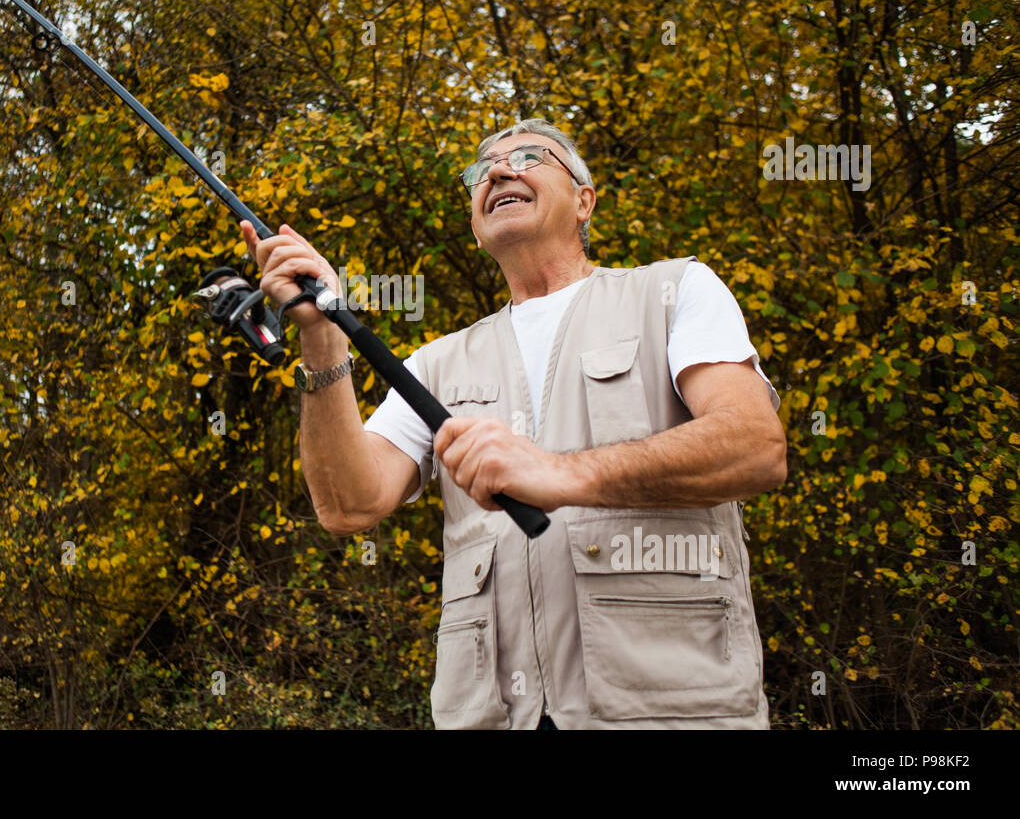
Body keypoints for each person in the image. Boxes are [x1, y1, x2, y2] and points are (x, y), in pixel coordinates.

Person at [241, 117, 787, 729]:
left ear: (584, 201)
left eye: (530, 157)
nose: (499, 171)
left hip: (673, 712)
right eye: (481, 171)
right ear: (476, 226)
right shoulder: (435, 363)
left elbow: (755, 446)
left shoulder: (673, 291)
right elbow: (348, 505)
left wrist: (561, 474)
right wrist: (322, 338)